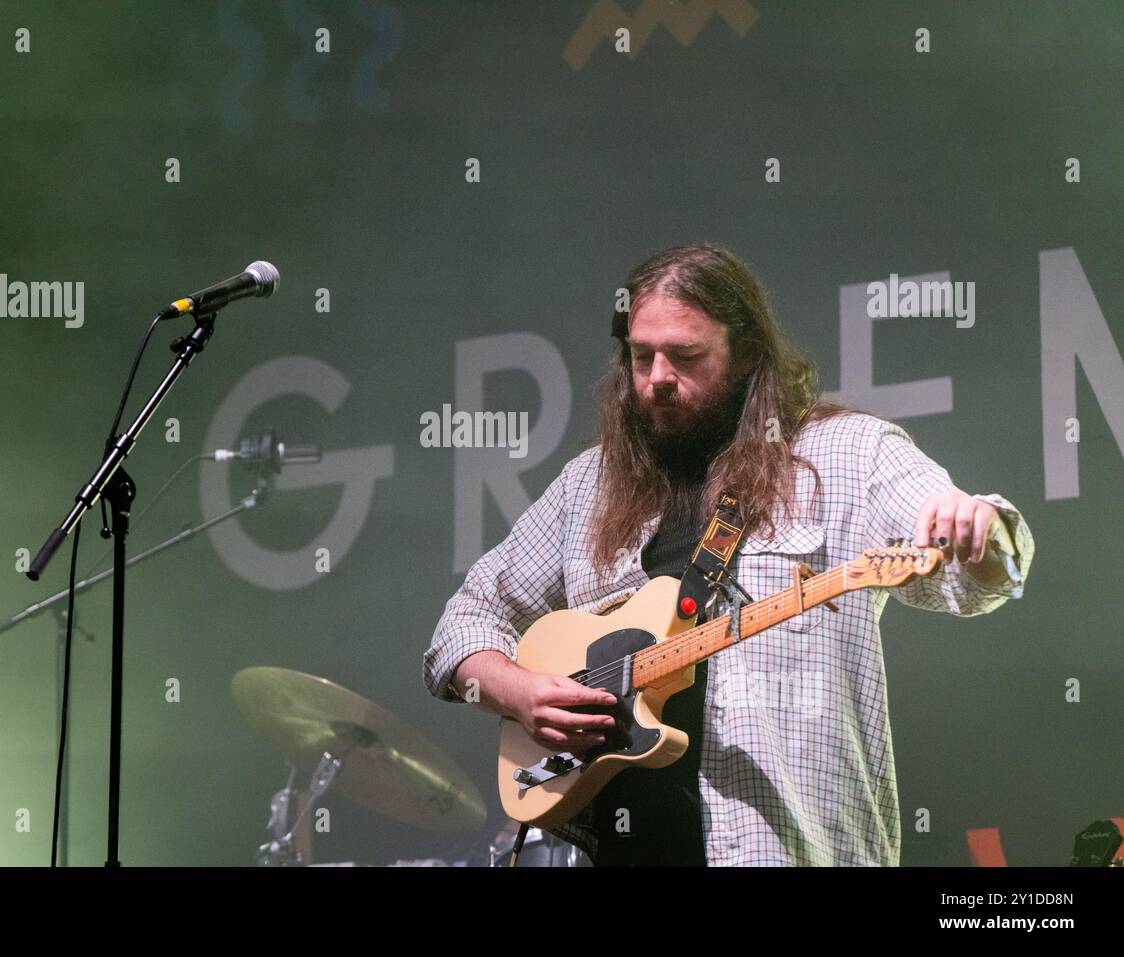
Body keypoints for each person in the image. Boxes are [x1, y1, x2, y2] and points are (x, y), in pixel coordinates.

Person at [423, 242, 1034, 866]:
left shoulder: (846, 456)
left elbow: (970, 575)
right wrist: (520, 693)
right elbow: (463, 620)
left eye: (685, 356)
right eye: (640, 357)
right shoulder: (589, 485)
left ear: (745, 355)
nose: (657, 377)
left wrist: (978, 525)